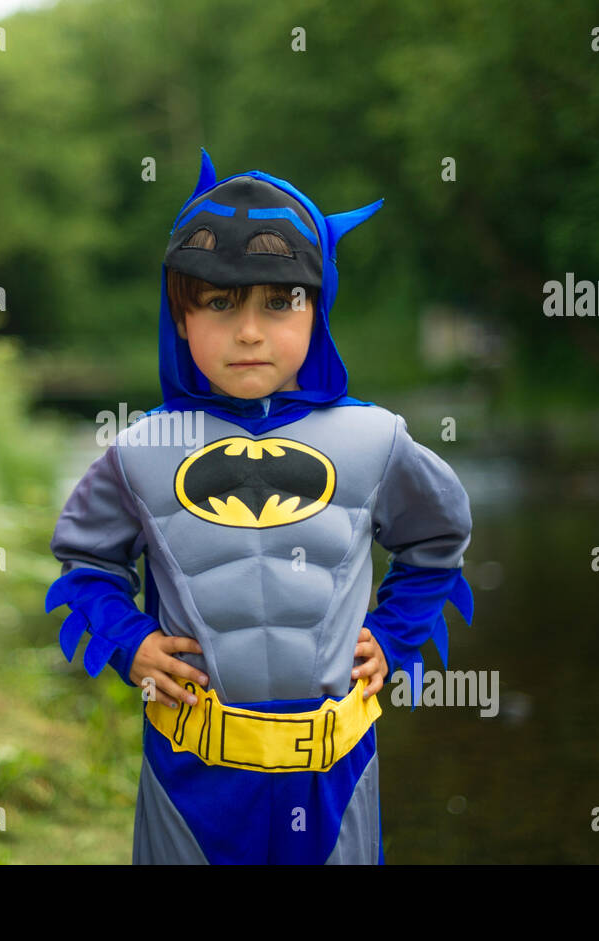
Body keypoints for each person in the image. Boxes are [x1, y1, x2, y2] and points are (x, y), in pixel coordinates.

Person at [46, 149, 474, 864]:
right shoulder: (141, 450)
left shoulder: (374, 440)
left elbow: (437, 543)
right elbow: (85, 563)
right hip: (192, 778)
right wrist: (132, 643)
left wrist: (394, 636)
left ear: (318, 306)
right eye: (219, 302)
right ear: (181, 316)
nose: (250, 331)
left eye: (280, 302)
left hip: (336, 773)